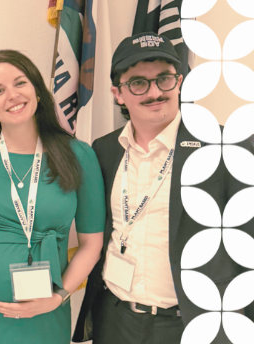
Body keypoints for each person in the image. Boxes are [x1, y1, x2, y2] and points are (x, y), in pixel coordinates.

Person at [73, 33, 254, 343]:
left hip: (196, 323)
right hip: (116, 319)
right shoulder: (103, 150)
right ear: (118, 93)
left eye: (164, 79)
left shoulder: (227, 146)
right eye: (139, 83)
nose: (154, 92)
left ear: (180, 81)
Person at [0, 50, 105, 343]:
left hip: (45, 309)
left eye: (20, 83)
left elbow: (92, 244)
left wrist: (58, 297)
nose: (12, 95)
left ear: (37, 89)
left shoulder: (79, 155)